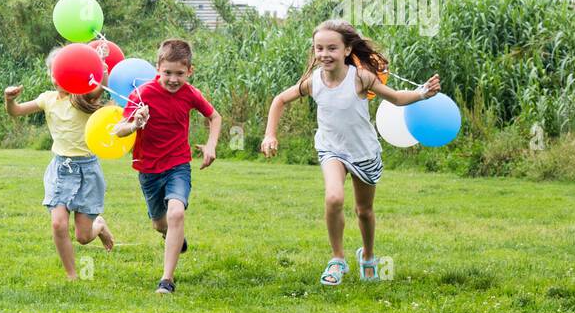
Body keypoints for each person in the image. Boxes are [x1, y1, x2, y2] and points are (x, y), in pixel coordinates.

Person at [260, 20, 441, 285]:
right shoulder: (314, 82)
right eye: (319, 48)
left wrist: (423, 93)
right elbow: (279, 100)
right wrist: (270, 134)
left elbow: (396, 98)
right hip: (331, 149)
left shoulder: (360, 78)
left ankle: (367, 256)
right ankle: (337, 260)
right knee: (333, 198)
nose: (324, 54)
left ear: (346, 50)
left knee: (364, 210)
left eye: (332, 48)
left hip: (363, 152)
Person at [114, 39, 222, 295]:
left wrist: (211, 145)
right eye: (167, 73)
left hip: (178, 165)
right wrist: (135, 124)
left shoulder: (190, 93)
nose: (173, 79)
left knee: (176, 214)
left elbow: (214, 116)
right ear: (157, 68)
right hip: (148, 169)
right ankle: (173, 236)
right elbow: (119, 130)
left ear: (190, 71)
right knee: (160, 224)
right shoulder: (142, 95)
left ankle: (166, 280)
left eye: (180, 74)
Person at [3, 48, 115, 280]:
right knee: (58, 225)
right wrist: (9, 99)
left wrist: (101, 67)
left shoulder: (82, 97)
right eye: (56, 72)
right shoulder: (47, 99)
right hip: (61, 169)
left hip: (87, 169)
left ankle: (100, 226)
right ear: (51, 75)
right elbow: (16, 112)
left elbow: (99, 88)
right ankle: (72, 275)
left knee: (83, 237)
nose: (60, 76)